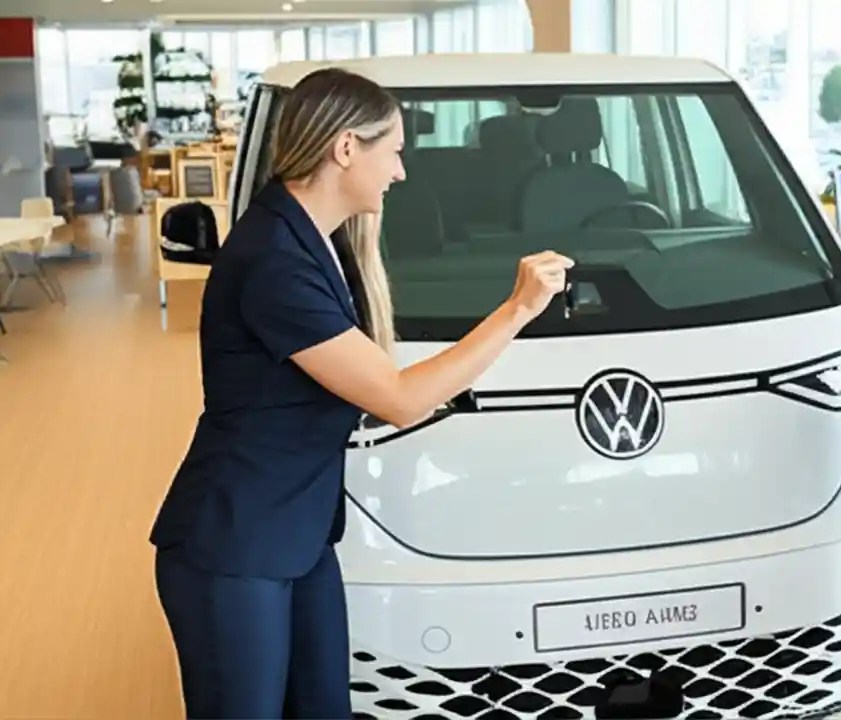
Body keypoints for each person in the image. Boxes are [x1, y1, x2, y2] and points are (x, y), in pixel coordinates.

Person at [147, 68, 574, 718]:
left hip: (298, 534)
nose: (401, 171)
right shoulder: (274, 260)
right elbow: (396, 399)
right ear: (346, 148)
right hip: (236, 547)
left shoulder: (312, 239)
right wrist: (518, 309)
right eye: (394, 150)